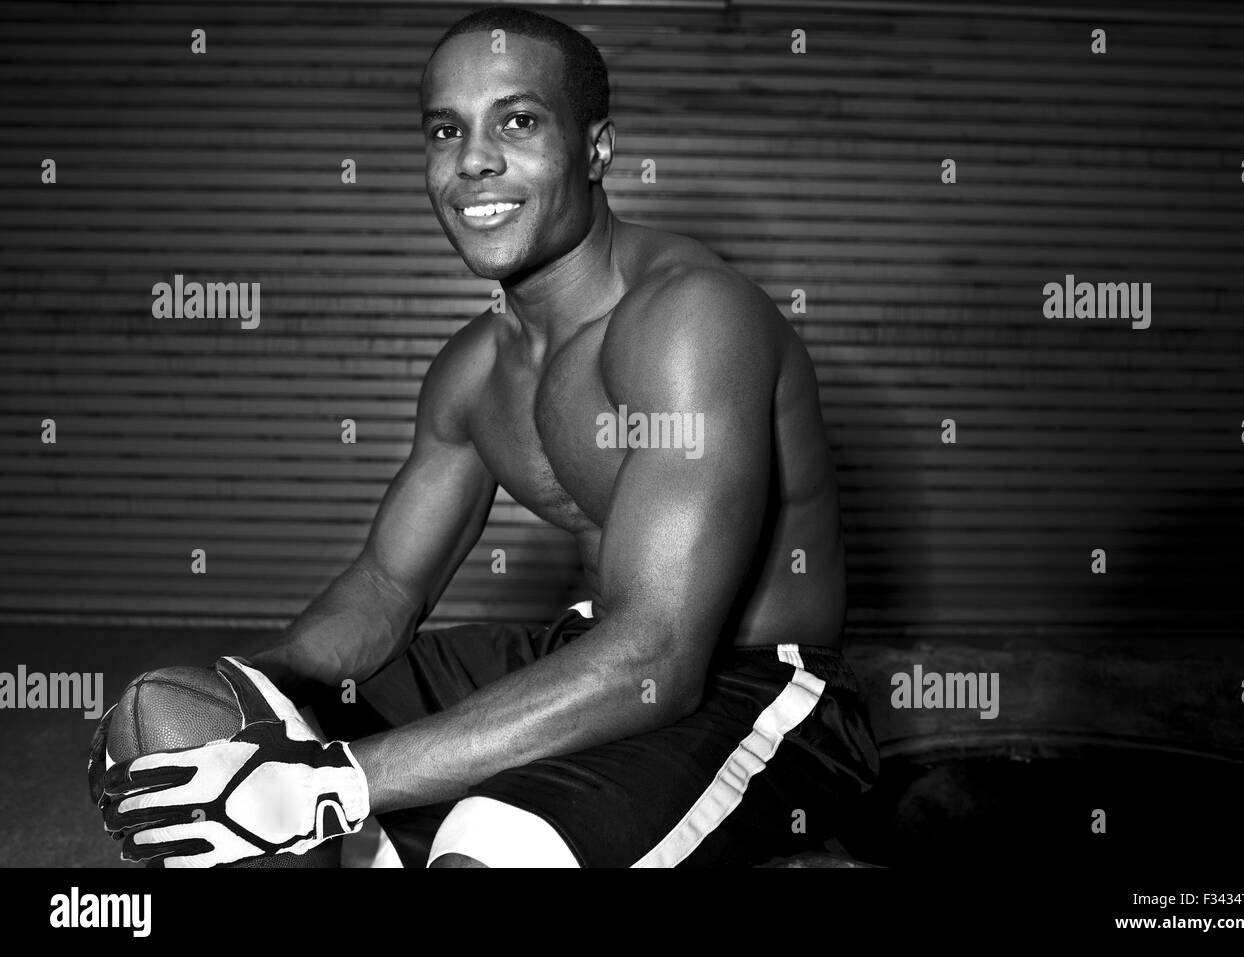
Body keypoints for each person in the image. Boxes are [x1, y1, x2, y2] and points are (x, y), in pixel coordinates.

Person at [92, 5, 879, 868]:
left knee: (487, 845)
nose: (473, 159)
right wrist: (257, 682)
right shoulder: (472, 370)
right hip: (585, 644)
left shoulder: (691, 316)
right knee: (188, 724)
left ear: (598, 148)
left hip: (756, 683)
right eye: (445, 130)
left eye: (518, 120)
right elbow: (388, 585)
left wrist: (336, 781)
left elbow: (659, 647)